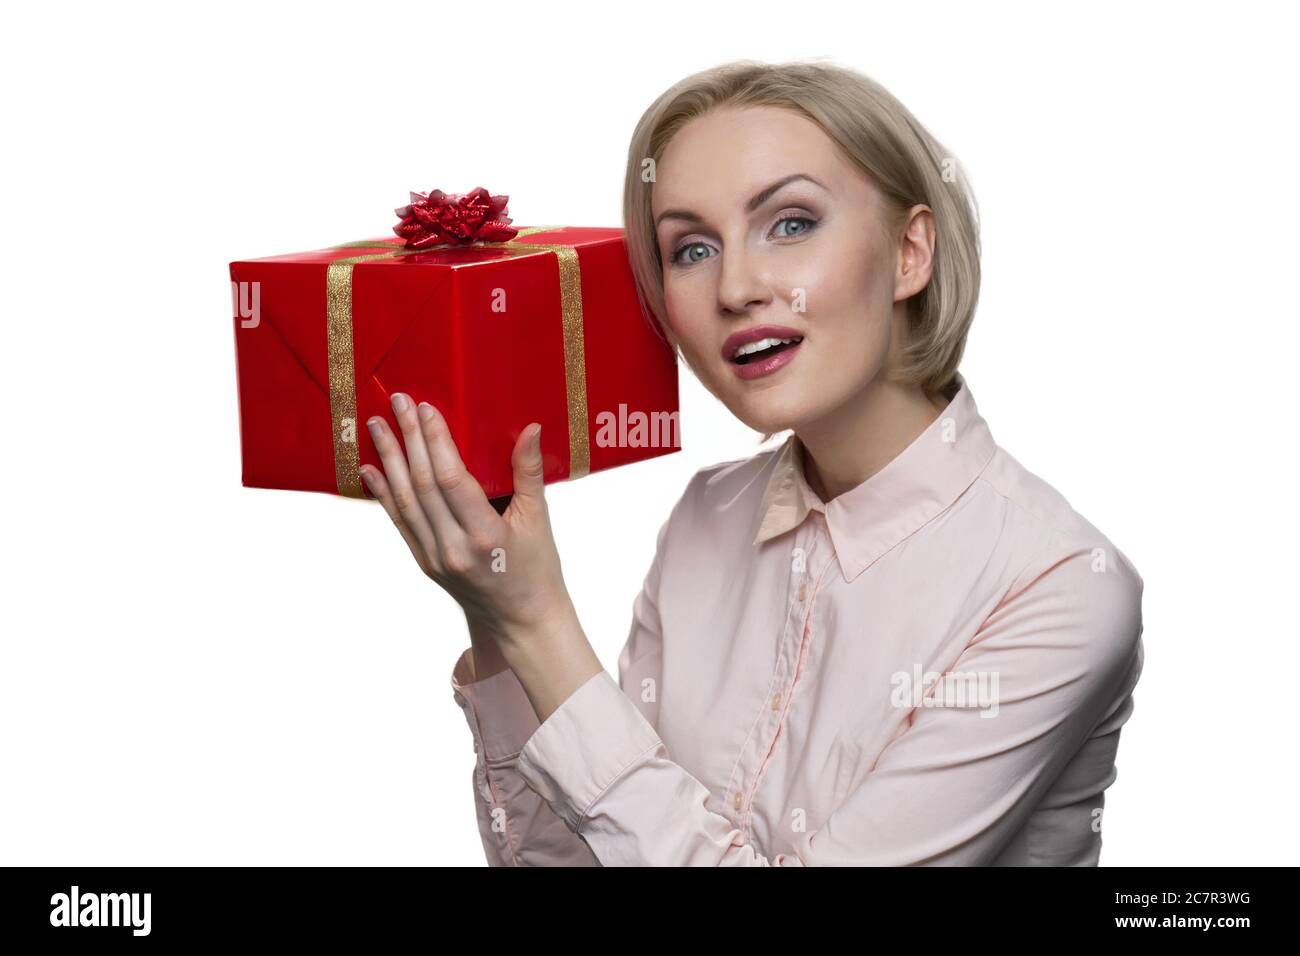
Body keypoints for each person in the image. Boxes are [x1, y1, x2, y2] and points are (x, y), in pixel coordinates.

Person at [357, 59, 1145, 866]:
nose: (735, 286)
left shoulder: (1058, 585)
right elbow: (576, 857)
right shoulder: (709, 516)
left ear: (910, 252)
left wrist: (538, 618)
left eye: (792, 223)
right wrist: (494, 609)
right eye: (691, 248)